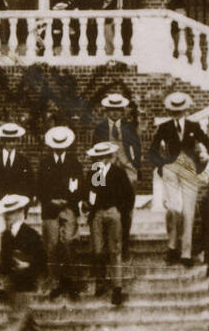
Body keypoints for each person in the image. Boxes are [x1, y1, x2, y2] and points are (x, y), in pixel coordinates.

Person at [149, 92, 209, 267]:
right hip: (171, 168)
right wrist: (162, 166)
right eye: (174, 111)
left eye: (180, 111)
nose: (177, 114)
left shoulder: (194, 126)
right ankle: (172, 247)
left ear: (185, 111)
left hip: (189, 170)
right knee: (173, 209)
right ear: (170, 112)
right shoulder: (164, 127)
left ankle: (186, 254)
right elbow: (153, 150)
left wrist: (205, 161)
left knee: (189, 212)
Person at [0, 194, 52, 331]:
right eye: (6, 213)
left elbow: (42, 260)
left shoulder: (31, 234)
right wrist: (2, 270)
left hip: (26, 284)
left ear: (19, 213)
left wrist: (28, 265)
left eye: (10, 213)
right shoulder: (6, 236)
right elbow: (4, 262)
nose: (7, 217)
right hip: (13, 284)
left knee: (17, 317)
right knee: (27, 322)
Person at [37, 125, 83, 300]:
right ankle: (55, 282)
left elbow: (80, 185)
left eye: (62, 145)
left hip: (68, 207)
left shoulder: (74, 162)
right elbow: (39, 187)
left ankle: (71, 281)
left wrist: (68, 201)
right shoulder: (45, 163)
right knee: (52, 245)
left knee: (69, 242)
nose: (59, 148)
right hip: (50, 209)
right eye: (56, 145)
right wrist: (51, 201)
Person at [93, 92, 140, 257]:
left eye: (118, 109)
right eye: (111, 109)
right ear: (106, 111)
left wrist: (133, 166)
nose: (114, 113)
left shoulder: (129, 128)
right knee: (103, 206)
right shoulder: (100, 129)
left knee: (125, 209)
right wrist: (98, 173)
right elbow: (95, 154)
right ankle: (104, 247)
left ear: (123, 111)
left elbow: (137, 149)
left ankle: (124, 245)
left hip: (126, 170)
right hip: (105, 168)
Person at [83, 140, 130, 306]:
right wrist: (88, 205)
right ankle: (100, 282)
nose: (100, 160)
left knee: (114, 250)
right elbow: (91, 194)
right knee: (98, 250)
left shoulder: (118, 173)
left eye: (103, 156)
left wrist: (120, 211)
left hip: (113, 212)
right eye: (97, 157)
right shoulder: (95, 173)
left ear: (110, 157)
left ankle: (117, 288)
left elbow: (128, 196)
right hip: (98, 214)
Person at [0, 122, 36, 268]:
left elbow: (30, 185)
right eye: (7, 140)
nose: (10, 143)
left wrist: (24, 205)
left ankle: (15, 270)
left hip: (17, 204)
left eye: (13, 139)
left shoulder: (23, 161)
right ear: (2, 140)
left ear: (17, 141)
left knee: (15, 236)